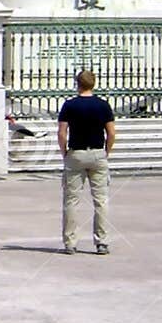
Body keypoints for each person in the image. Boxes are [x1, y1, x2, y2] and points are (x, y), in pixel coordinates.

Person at [57, 69, 114, 256]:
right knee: (101, 201)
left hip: (76, 153)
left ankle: (70, 242)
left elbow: (62, 132)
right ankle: (102, 242)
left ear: (77, 84)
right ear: (94, 84)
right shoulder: (103, 105)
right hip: (97, 153)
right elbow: (111, 133)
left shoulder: (70, 105)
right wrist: (107, 151)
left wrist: (64, 151)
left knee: (72, 200)